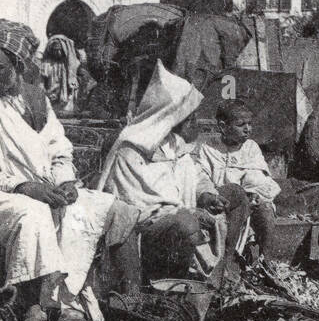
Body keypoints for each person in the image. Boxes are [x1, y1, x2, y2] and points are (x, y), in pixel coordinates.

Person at [0, 20, 142, 321]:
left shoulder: (36, 100)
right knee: (33, 212)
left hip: (40, 188)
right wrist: (24, 186)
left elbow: (58, 148)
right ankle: (34, 308)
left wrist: (64, 180)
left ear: (18, 64)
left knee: (115, 209)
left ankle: (134, 303)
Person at [98, 62, 245, 287]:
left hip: (185, 212)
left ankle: (223, 268)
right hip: (151, 229)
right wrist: (187, 212)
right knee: (185, 223)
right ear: (171, 120)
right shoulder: (131, 150)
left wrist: (207, 195)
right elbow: (134, 208)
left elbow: (196, 178)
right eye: (190, 119)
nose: (195, 124)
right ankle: (179, 282)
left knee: (236, 194)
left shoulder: (178, 145)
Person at [195, 100, 281, 261]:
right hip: (221, 200)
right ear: (223, 127)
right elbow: (202, 177)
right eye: (241, 125)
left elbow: (259, 178)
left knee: (266, 210)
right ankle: (225, 260)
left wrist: (255, 194)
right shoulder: (209, 148)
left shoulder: (251, 148)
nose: (248, 129)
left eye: (249, 124)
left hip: (251, 201)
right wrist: (211, 195)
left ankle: (266, 261)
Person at [39, 33, 82, 114]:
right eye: (55, 50)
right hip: (51, 95)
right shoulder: (47, 63)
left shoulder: (69, 64)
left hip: (66, 97)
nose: (57, 52)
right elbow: (41, 81)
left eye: (59, 50)